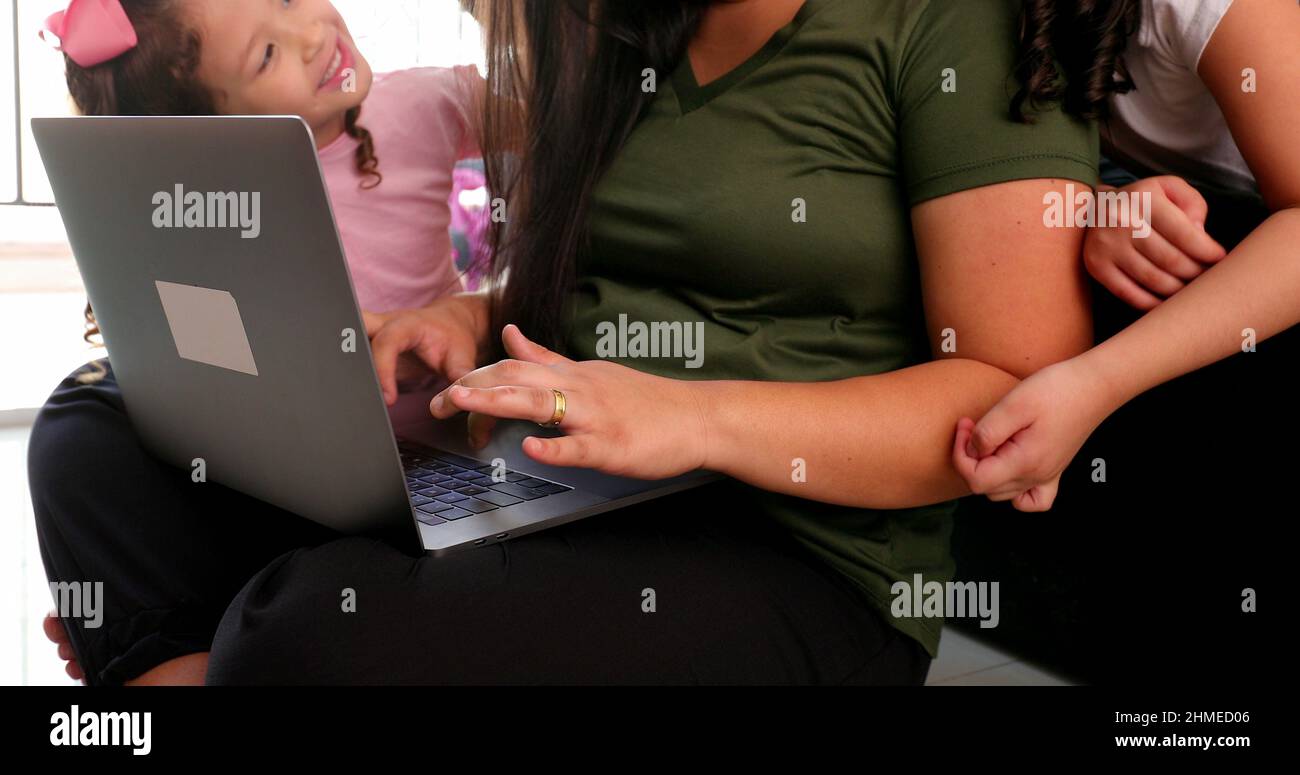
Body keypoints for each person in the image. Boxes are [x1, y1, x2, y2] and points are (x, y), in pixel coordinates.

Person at [36, 0, 1102, 685]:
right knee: (91, 426)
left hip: (799, 557)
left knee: (302, 640)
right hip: (554, 478)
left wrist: (693, 417)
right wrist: (463, 315)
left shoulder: (950, 23)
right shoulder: (606, 30)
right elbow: (591, 275)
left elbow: (1013, 395)